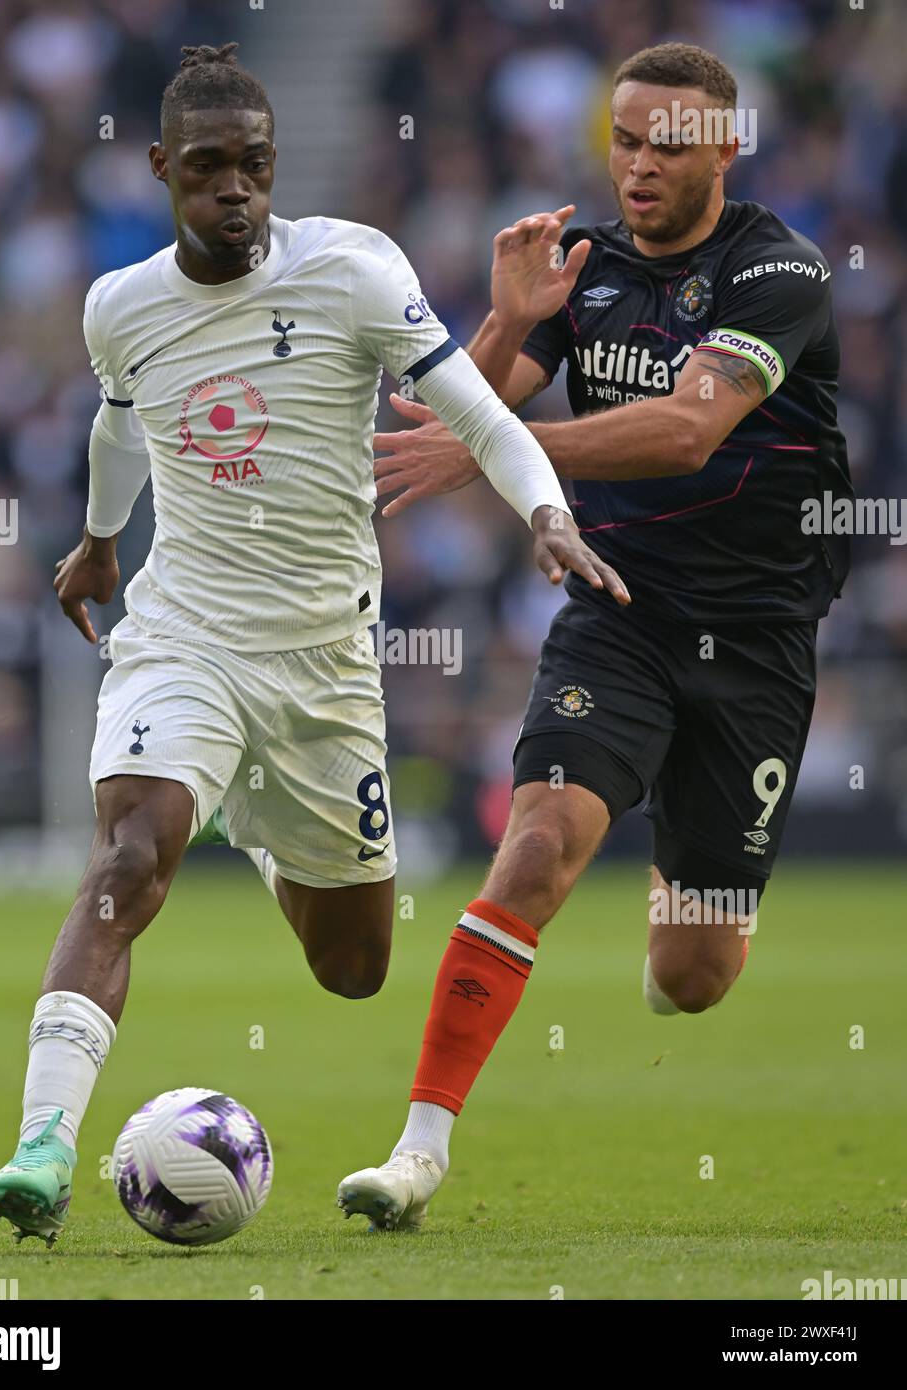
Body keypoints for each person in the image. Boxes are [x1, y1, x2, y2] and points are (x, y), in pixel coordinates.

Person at [0, 42, 627, 1247]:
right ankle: (44, 1144)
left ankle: (261, 826)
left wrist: (545, 509)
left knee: (353, 967)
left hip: (325, 666)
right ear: (166, 169)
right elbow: (120, 429)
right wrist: (99, 541)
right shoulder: (119, 305)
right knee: (127, 860)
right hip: (183, 636)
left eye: (256, 167)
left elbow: (480, 418)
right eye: (211, 169)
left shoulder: (352, 271)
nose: (237, 190)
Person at [338, 42, 852, 1230]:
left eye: (668, 144)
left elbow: (684, 430)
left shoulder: (780, 267)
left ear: (726, 148)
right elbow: (450, 412)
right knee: (531, 854)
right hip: (615, 610)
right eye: (622, 139)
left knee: (693, 975)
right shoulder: (586, 268)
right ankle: (417, 1150)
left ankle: (689, 894)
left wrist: (493, 449)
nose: (637, 165)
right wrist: (504, 322)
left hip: (759, 637)